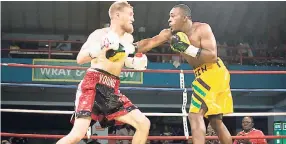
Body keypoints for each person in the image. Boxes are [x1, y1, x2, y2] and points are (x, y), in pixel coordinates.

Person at [135, 4, 233, 144]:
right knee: (215, 121)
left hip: (212, 71)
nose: (169, 20)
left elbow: (212, 56)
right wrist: (128, 48)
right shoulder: (170, 34)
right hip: (208, 75)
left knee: (194, 115)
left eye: (173, 16)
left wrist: (187, 48)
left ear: (185, 17)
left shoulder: (202, 29)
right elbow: (150, 42)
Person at [56, 1, 150, 144]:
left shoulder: (128, 39)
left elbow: (119, 60)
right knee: (77, 135)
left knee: (143, 124)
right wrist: (101, 46)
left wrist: (134, 63)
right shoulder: (100, 34)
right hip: (93, 85)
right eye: (130, 14)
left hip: (112, 88)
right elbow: (80, 59)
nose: (133, 19)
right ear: (118, 15)